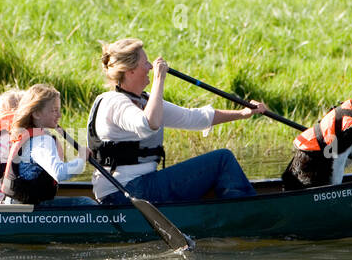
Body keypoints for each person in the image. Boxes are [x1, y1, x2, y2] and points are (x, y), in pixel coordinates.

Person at [88, 38, 267, 205]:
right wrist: (159, 79)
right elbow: (148, 124)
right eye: (146, 63)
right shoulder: (113, 102)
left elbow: (193, 118)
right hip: (124, 192)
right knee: (222, 160)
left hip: (139, 188)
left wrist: (243, 113)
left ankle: (236, 208)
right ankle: (247, 215)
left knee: (221, 160)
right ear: (131, 70)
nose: (151, 67)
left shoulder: (145, 101)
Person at [1, 84, 93, 206]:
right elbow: (59, 173)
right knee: (85, 203)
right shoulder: (41, 141)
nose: (59, 115)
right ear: (36, 114)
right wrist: (81, 158)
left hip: (17, 203)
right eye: (54, 110)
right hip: (28, 209)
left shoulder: (32, 136)